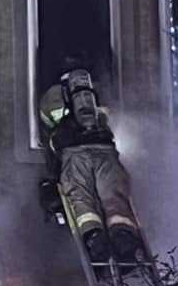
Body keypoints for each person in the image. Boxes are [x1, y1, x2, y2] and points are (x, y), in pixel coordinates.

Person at [37, 53, 143, 267]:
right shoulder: (98, 92)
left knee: (81, 198)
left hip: (74, 155)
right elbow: (108, 120)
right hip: (107, 152)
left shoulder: (53, 95)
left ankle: (95, 238)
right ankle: (124, 238)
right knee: (115, 196)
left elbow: (49, 127)